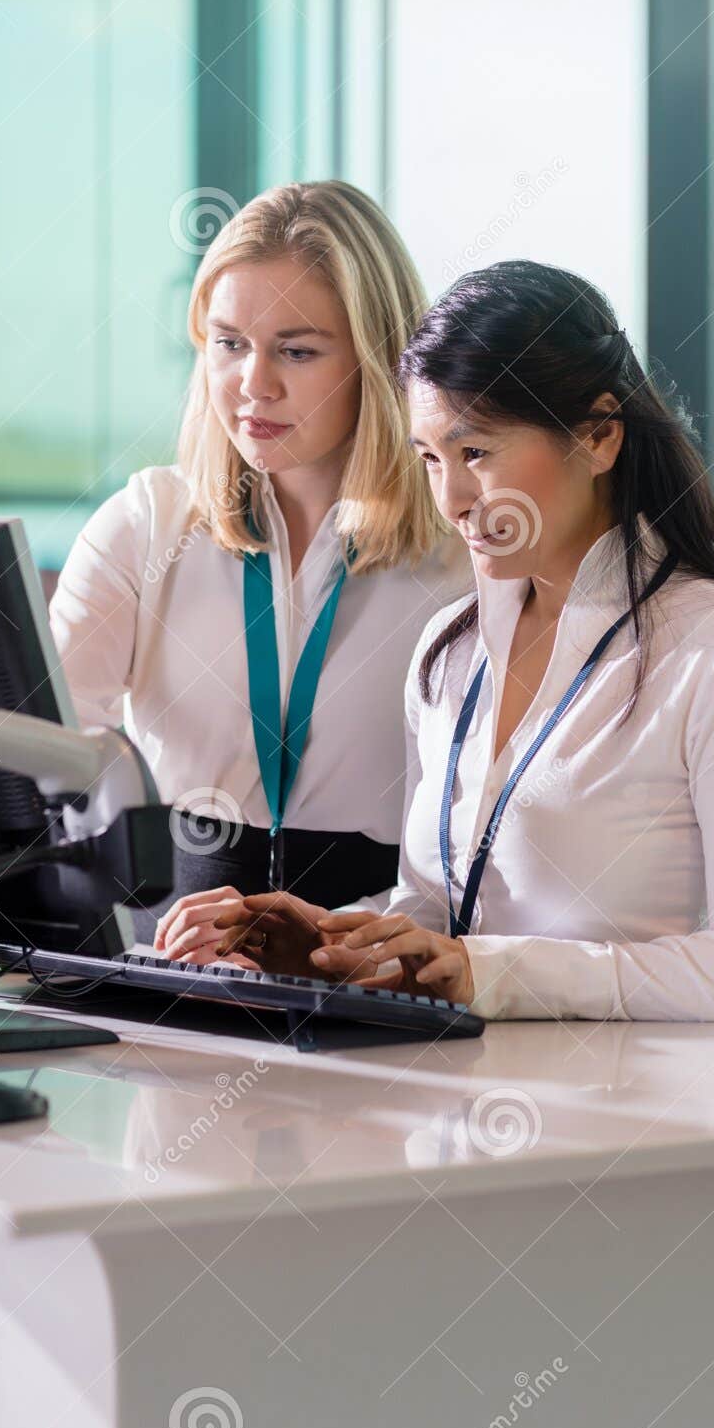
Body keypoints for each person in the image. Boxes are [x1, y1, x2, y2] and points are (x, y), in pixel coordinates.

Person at [211, 260, 714, 1023]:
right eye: (429, 458)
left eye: (476, 452)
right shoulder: (450, 649)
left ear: (600, 436)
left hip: (645, 1126)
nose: (450, 499)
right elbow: (444, 917)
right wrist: (330, 947)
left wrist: (495, 972)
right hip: (460, 1114)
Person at [49, 181, 468, 960]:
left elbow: (484, 832)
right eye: (228, 343)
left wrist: (344, 936)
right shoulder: (147, 524)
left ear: (377, 361)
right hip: (173, 952)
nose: (254, 384)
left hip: (373, 958)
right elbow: (44, 754)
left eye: (297, 351)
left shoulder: (462, 555)